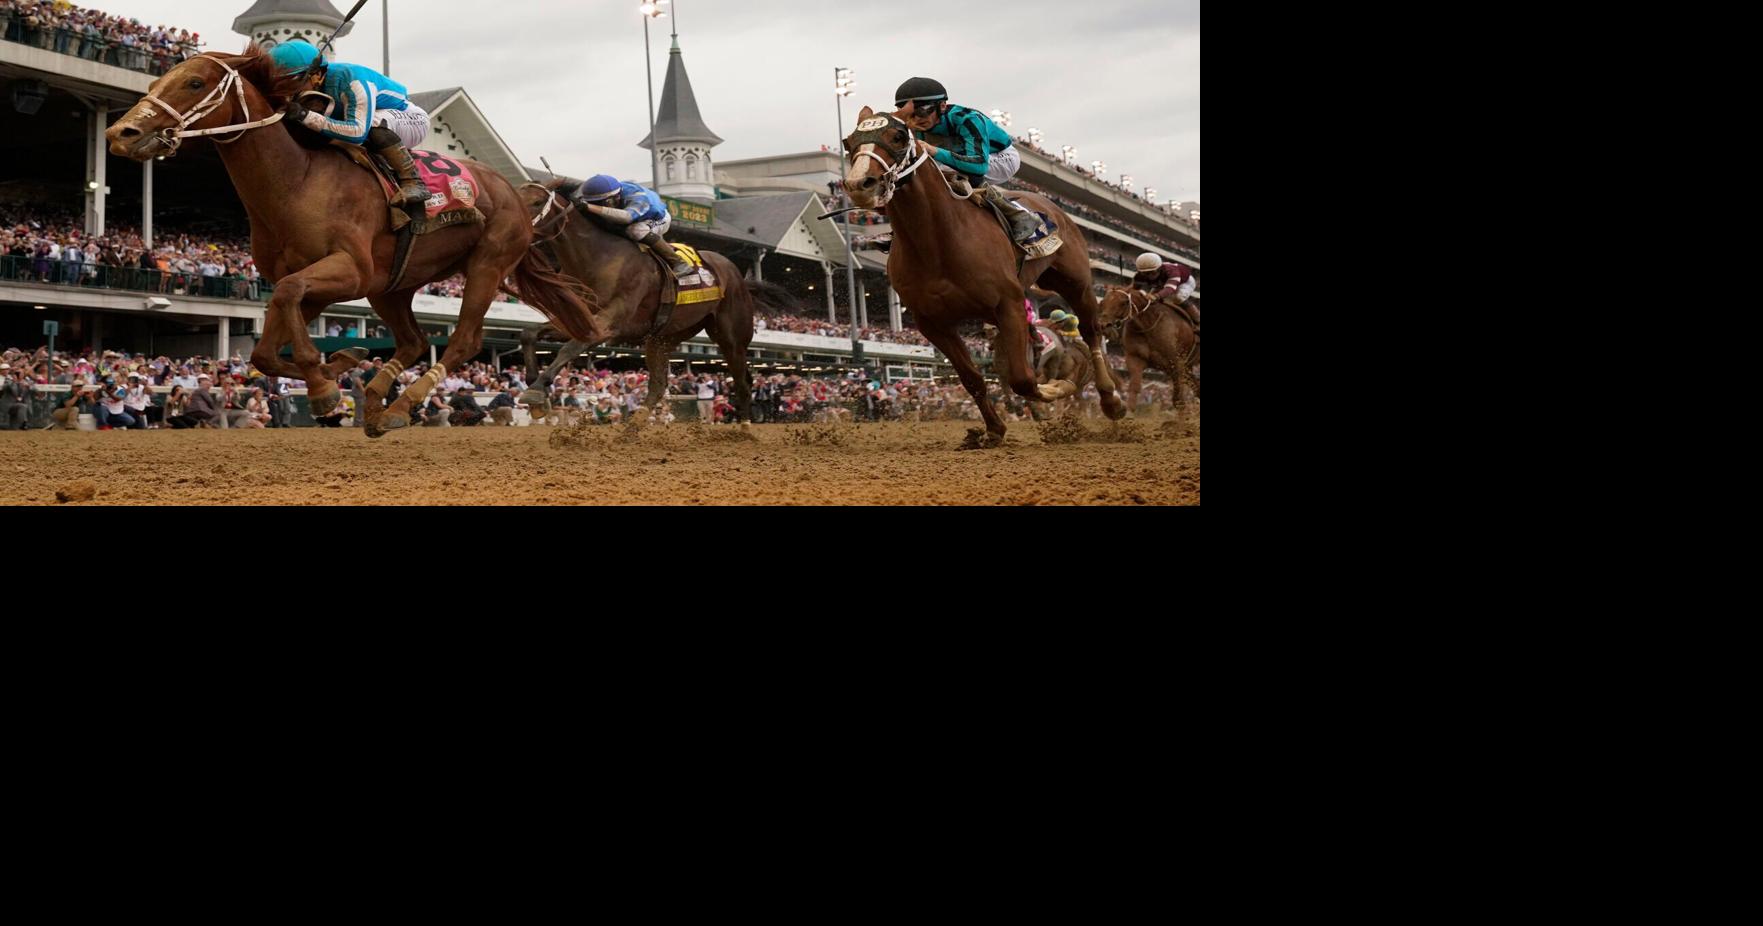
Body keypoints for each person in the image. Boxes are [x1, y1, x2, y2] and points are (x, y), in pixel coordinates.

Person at [268, 39, 432, 212]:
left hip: (411, 119)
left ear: (317, 75)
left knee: (373, 123)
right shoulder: (314, 82)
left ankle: (413, 181)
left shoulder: (351, 81)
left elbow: (357, 132)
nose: (285, 89)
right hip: (367, 120)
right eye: (278, 83)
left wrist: (304, 115)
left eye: (291, 81)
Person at [894, 77, 1040, 242]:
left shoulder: (968, 119)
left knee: (949, 171)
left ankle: (1019, 215)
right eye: (909, 113)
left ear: (942, 106)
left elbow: (978, 166)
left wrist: (934, 151)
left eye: (922, 111)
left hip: (1000, 158)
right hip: (963, 158)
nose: (916, 119)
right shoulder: (913, 126)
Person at [570, 174, 695, 277]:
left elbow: (627, 217)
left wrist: (589, 207)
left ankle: (679, 263)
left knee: (635, 230)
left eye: (600, 203)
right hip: (631, 216)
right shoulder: (608, 193)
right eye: (594, 203)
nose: (596, 205)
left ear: (613, 199)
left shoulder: (638, 198)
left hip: (657, 218)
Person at [1131, 253, 1200, 332]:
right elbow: (1133, 289)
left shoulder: (1172, 271)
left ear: (1159, 268)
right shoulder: (1139, 276)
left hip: (1184, 282)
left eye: (1152, 272)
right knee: (1149, 300)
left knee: (1178, 297)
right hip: (1162, 283)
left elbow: (1170, 288)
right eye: (1146, 273)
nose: (1149, 276)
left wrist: (1156, 296)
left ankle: (1197, 319)